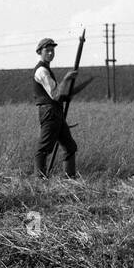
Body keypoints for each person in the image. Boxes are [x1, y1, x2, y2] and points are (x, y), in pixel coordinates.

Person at [32, 38, 79, 178]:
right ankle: (39, 181)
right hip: (49, 112)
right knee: (44, 148)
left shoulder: (46, 69)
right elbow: (55, 94)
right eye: (47, 50)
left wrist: (66, 96)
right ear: (40, 52)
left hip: (56, 112)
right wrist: (67, 79)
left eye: (53, 50)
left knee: (70, 147)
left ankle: (69, 180)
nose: (51, 53)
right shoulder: (41, 71)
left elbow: (58, 96)